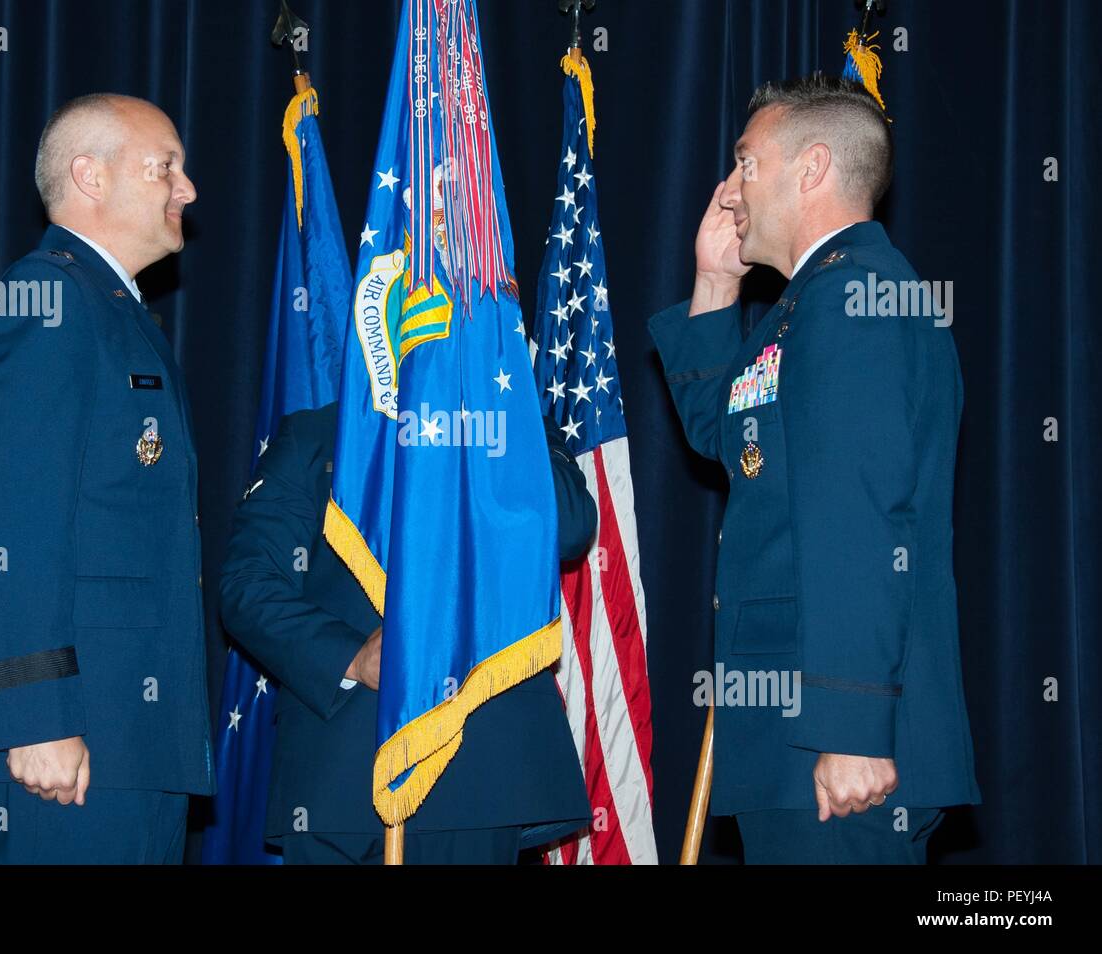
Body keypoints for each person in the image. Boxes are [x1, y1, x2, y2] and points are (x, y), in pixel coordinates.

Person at [648, 76, 979, 864]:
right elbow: (728, 440)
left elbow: (860, 519)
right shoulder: (808, 309)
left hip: (833, 746)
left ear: (812, 168)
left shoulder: (853, 300)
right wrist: (716, 282)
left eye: (744, 164)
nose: (728, 191)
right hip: (798, 742)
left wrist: (852, 725)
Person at [0, 93, 211, 863]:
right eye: (166, 167)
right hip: (72, 738)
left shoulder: (115, 312)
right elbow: (9, 519)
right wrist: (35, 714)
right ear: (89, 176)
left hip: (132, 739)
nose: (185, 190)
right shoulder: (51, 301)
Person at [219, 403, 595, 864]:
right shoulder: (317, 433)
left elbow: (569, 528)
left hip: (477, 777)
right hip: (342, 775)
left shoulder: (507, 417)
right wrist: (352, 657)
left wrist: (477, 417)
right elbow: (247, 585)